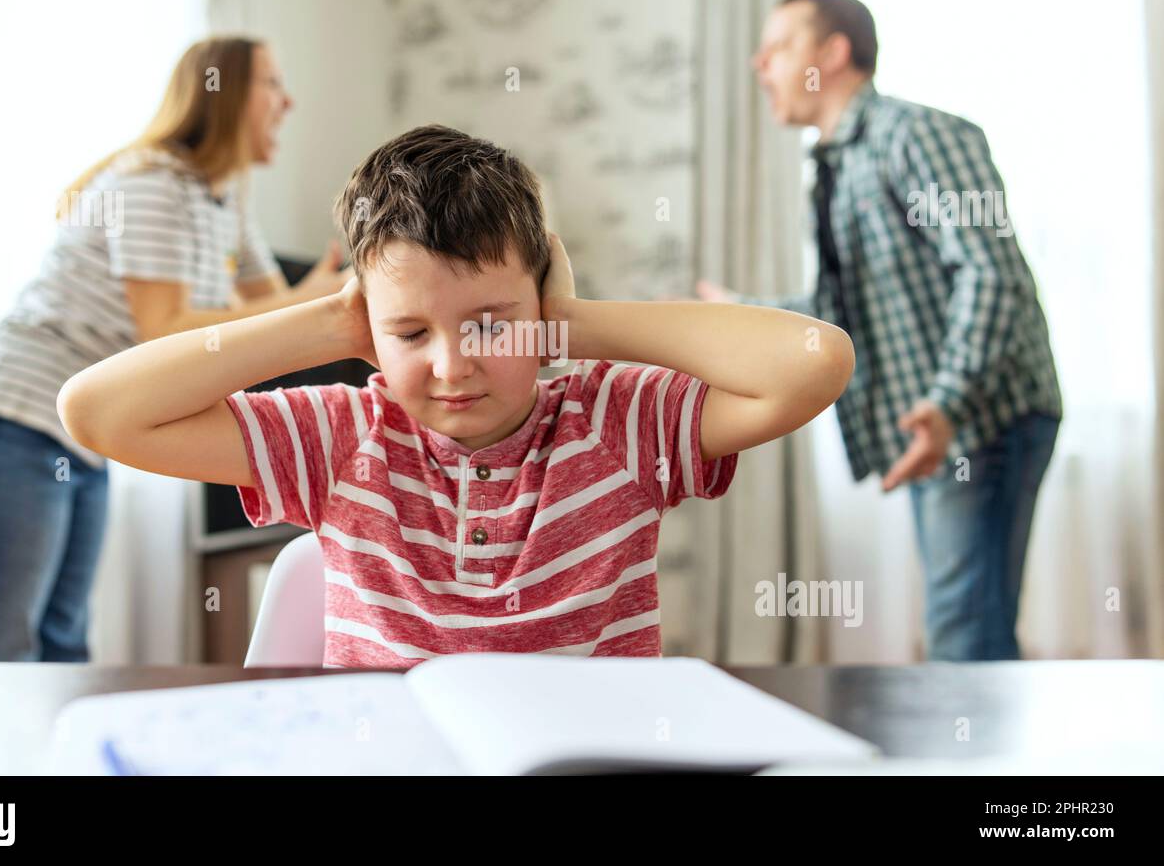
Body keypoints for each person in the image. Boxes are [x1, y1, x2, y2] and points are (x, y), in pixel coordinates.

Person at [57, 124, 854, 667]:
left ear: (540, 302)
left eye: (490, 325)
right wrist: (328, 323)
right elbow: (95, 411)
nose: (452, 366)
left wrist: (575, 324)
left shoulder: (616, 425)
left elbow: (816, 359)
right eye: (410, 333)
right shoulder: (343, 438)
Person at [0, 36, 348, 661]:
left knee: (64, 639)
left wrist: (324, 299)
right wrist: (320, 302)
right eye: (272, 83)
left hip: (80, 433)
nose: (288, 101)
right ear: (228, 94)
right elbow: (165, 330)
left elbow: (275, 322)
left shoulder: (224, 200)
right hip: (15, 418)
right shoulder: (154, 185)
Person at [699, 0, 1062, 661]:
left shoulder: (914, 136)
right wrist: (740, 313)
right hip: (937, 422)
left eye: (777, 47)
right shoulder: (838, 167)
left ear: (832, 54)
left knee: (962, 634)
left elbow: (990, 271)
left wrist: (948, 402)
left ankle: (972, 765)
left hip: (983, 415)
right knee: (967, 625)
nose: (758, 63)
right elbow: (845, 311)